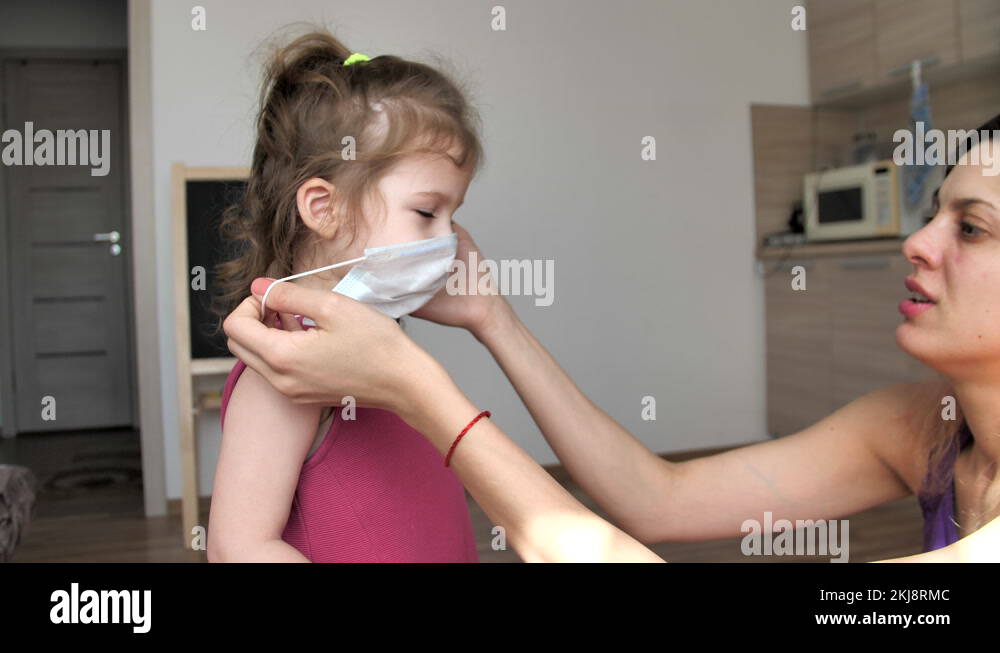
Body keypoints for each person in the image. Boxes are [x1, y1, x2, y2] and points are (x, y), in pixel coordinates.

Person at [224, 104, 1000, 562]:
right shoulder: (920, 427)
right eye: (935, 210)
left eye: (970, 228)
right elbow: (658, 499)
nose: (918, 242)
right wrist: (493, 319)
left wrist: (420, 390)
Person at [207, 31, 485, 562]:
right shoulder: (286, 364)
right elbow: (237, 548)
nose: (450, 241)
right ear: (323, 208)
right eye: (427, 213)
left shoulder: (384, 345)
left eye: (455, 214)